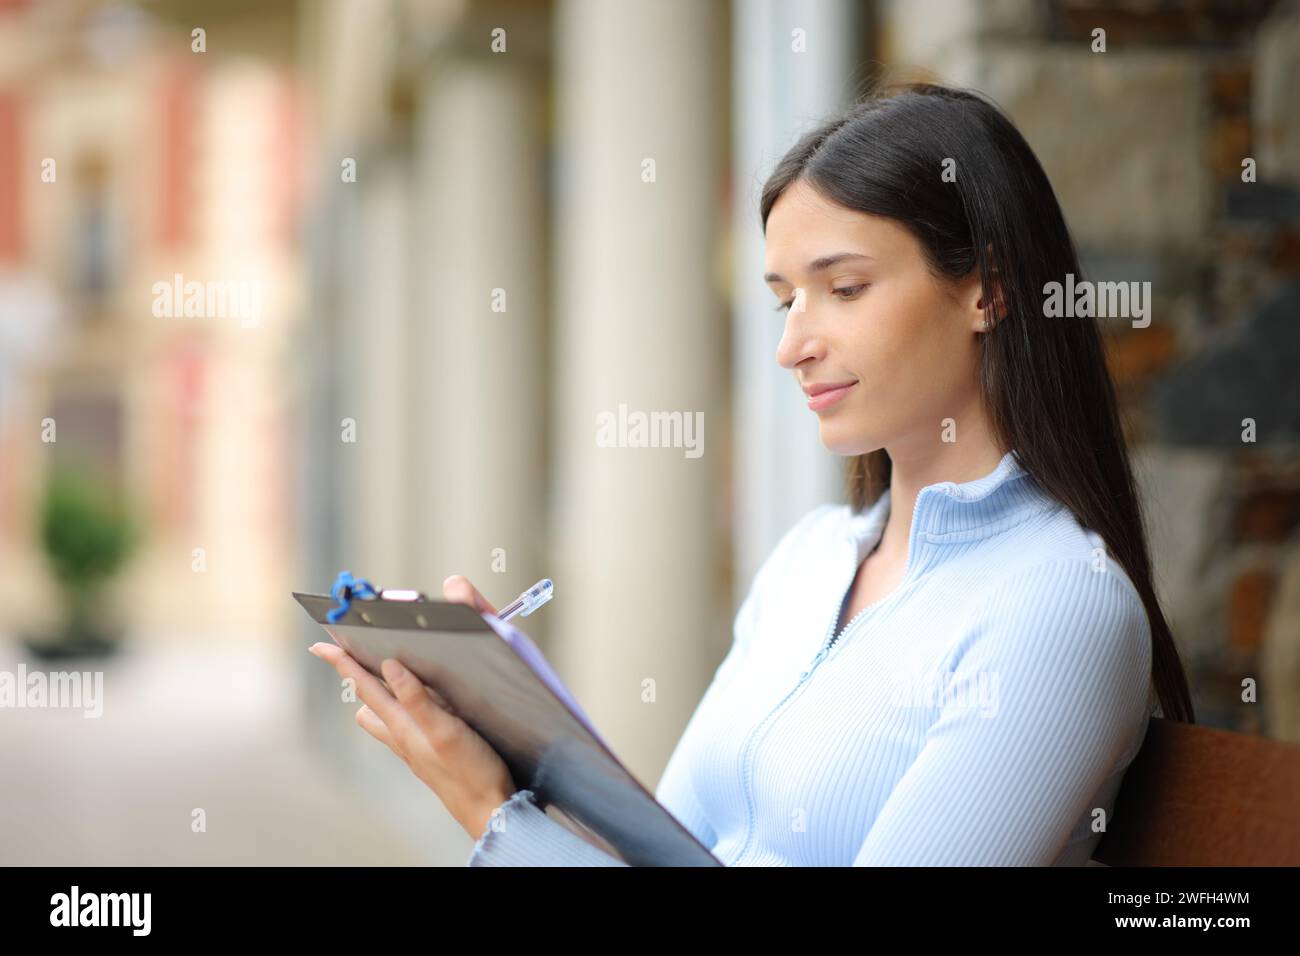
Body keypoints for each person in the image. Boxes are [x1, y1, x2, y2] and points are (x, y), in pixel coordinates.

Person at [308, 82, 1196, 867]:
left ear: (987, 290)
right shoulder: (811, 559)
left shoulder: (1056, 605)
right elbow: (677, 849)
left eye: (844, 288)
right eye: (785, 298)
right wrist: (504, 731)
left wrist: (487, 811)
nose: (791, 345)